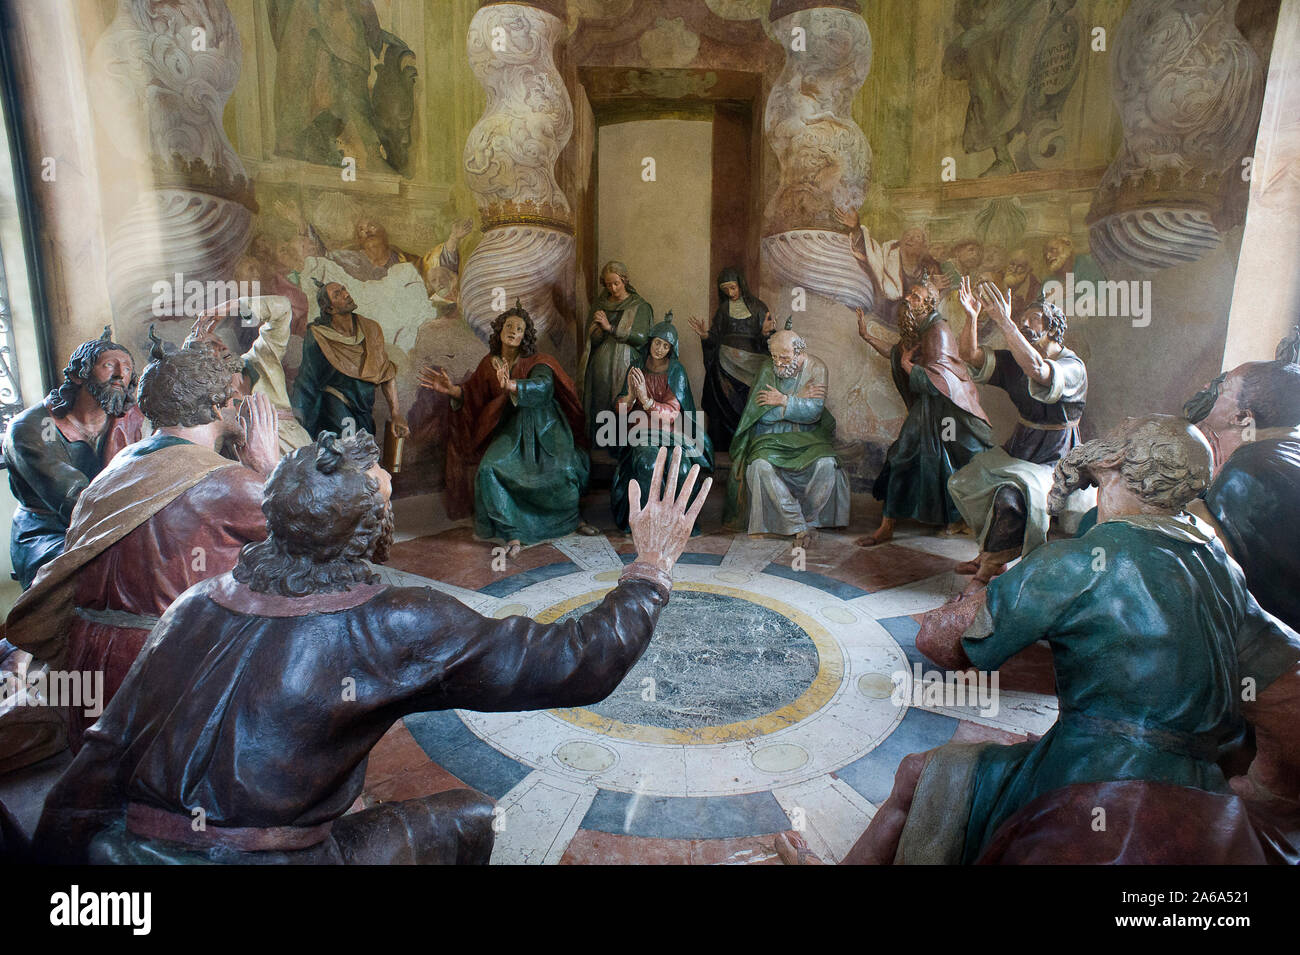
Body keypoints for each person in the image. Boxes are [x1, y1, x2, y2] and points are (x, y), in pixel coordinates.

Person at [32, 437, 711, 864]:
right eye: (385, 490)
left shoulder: (195, 604)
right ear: (375, 531)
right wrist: (650, 567)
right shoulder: (392, 622)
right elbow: (579, 659)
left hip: (125, 856)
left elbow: (99, 759)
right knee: (471, 817)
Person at [778, 415, 1300, 865]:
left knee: (920, 772)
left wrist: (983, 587)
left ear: (1115, 461)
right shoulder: (1220, 568)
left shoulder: (1073, 564)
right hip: (1196, 788)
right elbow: (1287, 691)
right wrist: (1265, 788)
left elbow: (942, 646)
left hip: (1089, 778)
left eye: (1117, 432)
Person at [4, 331, 280, 754]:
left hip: (90, 668)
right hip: (160, 672)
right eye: (234, 397)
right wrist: (270, 469)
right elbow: (325, 539)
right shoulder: (227, 483)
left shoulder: (115, 470)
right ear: (215, 406)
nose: (240, 404)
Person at [947, 279, 1090, 591]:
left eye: (1032, 319)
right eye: (1020, 319)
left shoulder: (1072, 366)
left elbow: (1038, 371)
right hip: (1021, 446)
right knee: (970, 482)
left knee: (1010, 498)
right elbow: (970, 355)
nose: (1024, 324)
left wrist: (1004, 321)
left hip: (1056, 455)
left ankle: (987, 570)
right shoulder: (1016, 358)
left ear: (1053, 326)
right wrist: (973, 317)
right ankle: (987, 553)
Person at [420, 302, 595, 557]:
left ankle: (570, 521)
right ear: (500, 330)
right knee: (490, 469)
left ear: (526, 336)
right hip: (512, 430)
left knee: (563, 471)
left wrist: (513, 385)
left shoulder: (539, 361)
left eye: (520, 328)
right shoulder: (488, 364)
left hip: (545, 426)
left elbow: (543, 387)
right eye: (509, 325)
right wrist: (454, 391)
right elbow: (474, 394)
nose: (513, 331)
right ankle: (512, 530)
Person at [3, 328, 144, 589]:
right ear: (80, 373)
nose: (119, 375)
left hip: (111, 521)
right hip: (48, 533)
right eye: (109, 365)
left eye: (126, 368)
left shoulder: (127, 419)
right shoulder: (32, 427)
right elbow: (74, 499)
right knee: (115, 569)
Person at [855, 283, 993, 546]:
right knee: (906, 456)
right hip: (930, 408)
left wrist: (909, 367)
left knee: (931, 459)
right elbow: (898, 353)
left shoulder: (937, 330)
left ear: (929, 303)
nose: (908, 298)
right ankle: (889, 524)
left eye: (915, 296)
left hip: (946, 409)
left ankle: (952, 519)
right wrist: (867, 336)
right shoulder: (921, 328)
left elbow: (939, 379)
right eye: (909, 294)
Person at [1183, 327, 1300, 632]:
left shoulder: (1247, 473)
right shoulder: (1287, 449)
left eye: (1223, 388)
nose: (1210, 387)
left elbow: (1211, 571)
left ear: (1242, 418)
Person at [723, 326, 848, 545]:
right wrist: (799, 398)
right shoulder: (767, 369)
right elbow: (763, 415)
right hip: (770, 437)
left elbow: (813, 414)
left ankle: (807, 519)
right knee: (760, 467)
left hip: (808, 437)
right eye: (774, 356)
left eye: (784, 357)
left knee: (827, 464)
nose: (778, 363)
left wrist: (784, 399)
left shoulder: (817, 368)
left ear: (799, 353)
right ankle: (797, 523)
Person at [610, 316, 713, 533]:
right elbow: (619, 409)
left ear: (671, 349)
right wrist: (630, 396)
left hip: (672, 431)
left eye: (665, 346)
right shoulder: (636, 366)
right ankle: (647, 522)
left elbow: (673, 412)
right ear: (650, 341)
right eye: (657, 342)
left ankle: (677, 523)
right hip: (641, 431)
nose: (659, 349)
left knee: (682, 467)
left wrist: (646, 401)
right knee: (647, 463)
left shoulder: (677, 371)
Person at [185, 294, 313, 453]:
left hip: (297, 446)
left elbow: (283, 309)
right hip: (251, 460)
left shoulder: (261, 359)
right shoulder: (207, 398)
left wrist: (232, 305)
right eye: (210, 345)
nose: (222, 346)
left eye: (219, 340)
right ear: (201, 362)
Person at [292, 280, 408, 441]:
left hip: (364, 409)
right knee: (349, 454)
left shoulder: (371, 329)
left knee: (363, 455)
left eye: (344, 289)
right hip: (336, 404)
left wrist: (395, 413)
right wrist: (297, 416)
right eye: (337, 294)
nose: (346, 294)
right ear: (329, 309)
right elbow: (307, 379)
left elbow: (385, 373)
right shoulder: (318, 335)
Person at [688, 267, 775, 451]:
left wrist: (766, 333)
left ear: (741, 285)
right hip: (724, 369)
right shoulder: (724, 310)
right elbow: (715, 338)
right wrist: (705, 335)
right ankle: (724, 447)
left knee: (748, 405)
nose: (730, 293)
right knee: (721, 403)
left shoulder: (759, 307)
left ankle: (749, 446)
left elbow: (768, 338)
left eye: (733, 288)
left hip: (752, 367)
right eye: (725, 289)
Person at [577, 261, 655, 448]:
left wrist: (610, 327)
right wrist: (597, 331)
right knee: (601, 402)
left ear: (625, 281)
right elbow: (593, 342)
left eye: (616, 283)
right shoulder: (600, 304)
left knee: (623, 402)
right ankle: (600, 446)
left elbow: (642, 337)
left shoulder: (639, 306)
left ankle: (622, 447)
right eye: (608, 284)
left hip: (627, 363)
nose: (612, 288)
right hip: (601, 364)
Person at [834, 208, 949, 325]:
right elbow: (869, 253)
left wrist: (935, 289)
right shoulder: (888, 253)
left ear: (923, 245)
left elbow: (939, 298)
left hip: (915, 323)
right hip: (884, 318)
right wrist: (856, 227)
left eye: (917, 237)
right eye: (908, 235)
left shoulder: (930, 266)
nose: (910, 239)